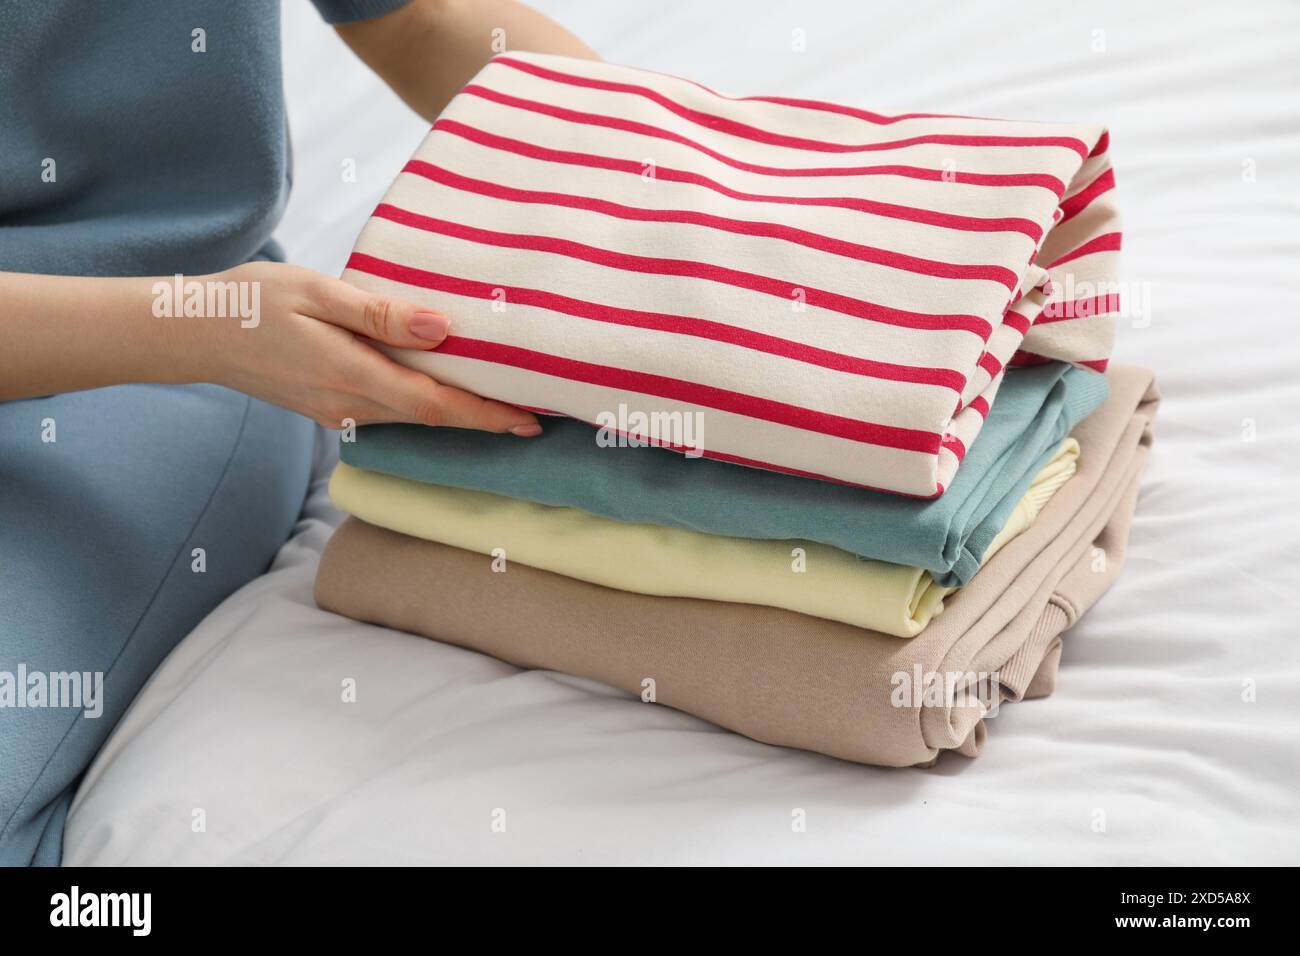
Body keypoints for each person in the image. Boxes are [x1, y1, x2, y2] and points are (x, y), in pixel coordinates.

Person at [0, 0, 597, 866]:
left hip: (147, 366)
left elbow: (420, 21)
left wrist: (697, 172)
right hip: (194, 331)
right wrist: (208, 325)